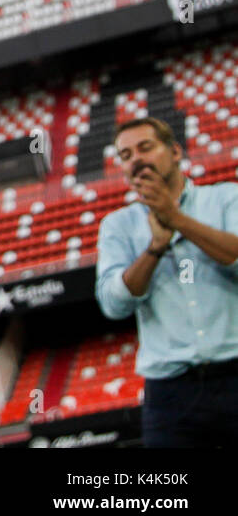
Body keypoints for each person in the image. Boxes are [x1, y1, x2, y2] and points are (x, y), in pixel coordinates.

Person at [95, 117, 238, 447]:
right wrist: (155, 249)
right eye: (126, 155)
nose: (136, 159)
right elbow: (113, 304)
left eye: (146, 147)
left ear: (175, 151)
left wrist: (178, 221)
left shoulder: (225, 199)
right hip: (170, 392)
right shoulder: (117, 225)